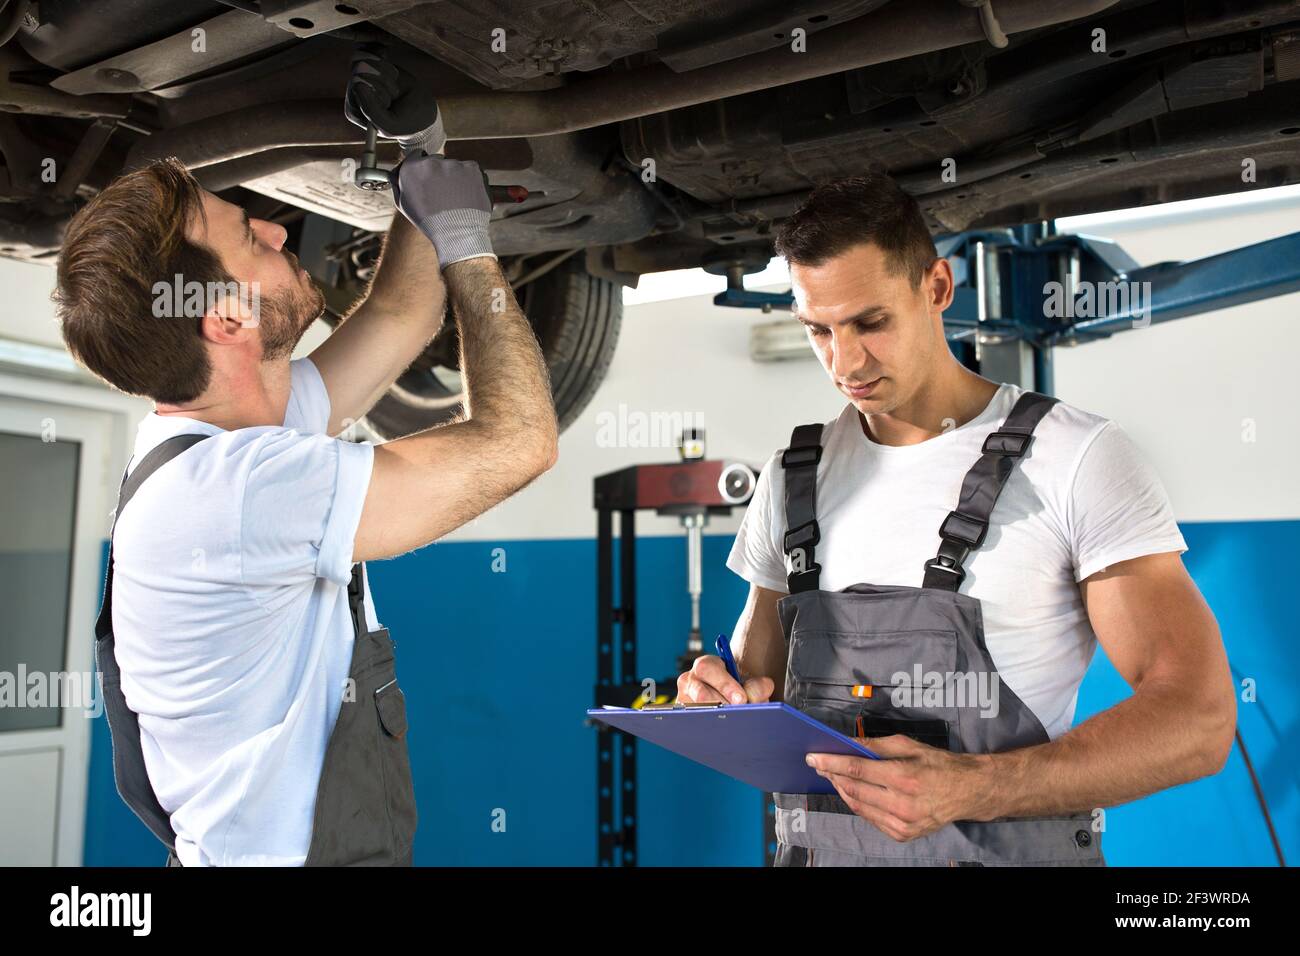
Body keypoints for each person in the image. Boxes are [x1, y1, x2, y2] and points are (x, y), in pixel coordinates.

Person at [53, 61, 557, 864]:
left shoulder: (216, 435)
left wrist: (421, 159)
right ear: (224, 319)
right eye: (251, 239)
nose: (281, 231)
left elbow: (396, 314)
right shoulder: (233, 493)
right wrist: (468, 243)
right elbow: (520, 441)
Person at [676, 173, 1235, 866]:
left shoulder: (1076, 458)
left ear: (937, 287)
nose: (844, 361)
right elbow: (757, 683)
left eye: (870, 323)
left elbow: (1199, 720)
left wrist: (975, 787)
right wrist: (715, 694)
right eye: (817, 329)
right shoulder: (795, 473)